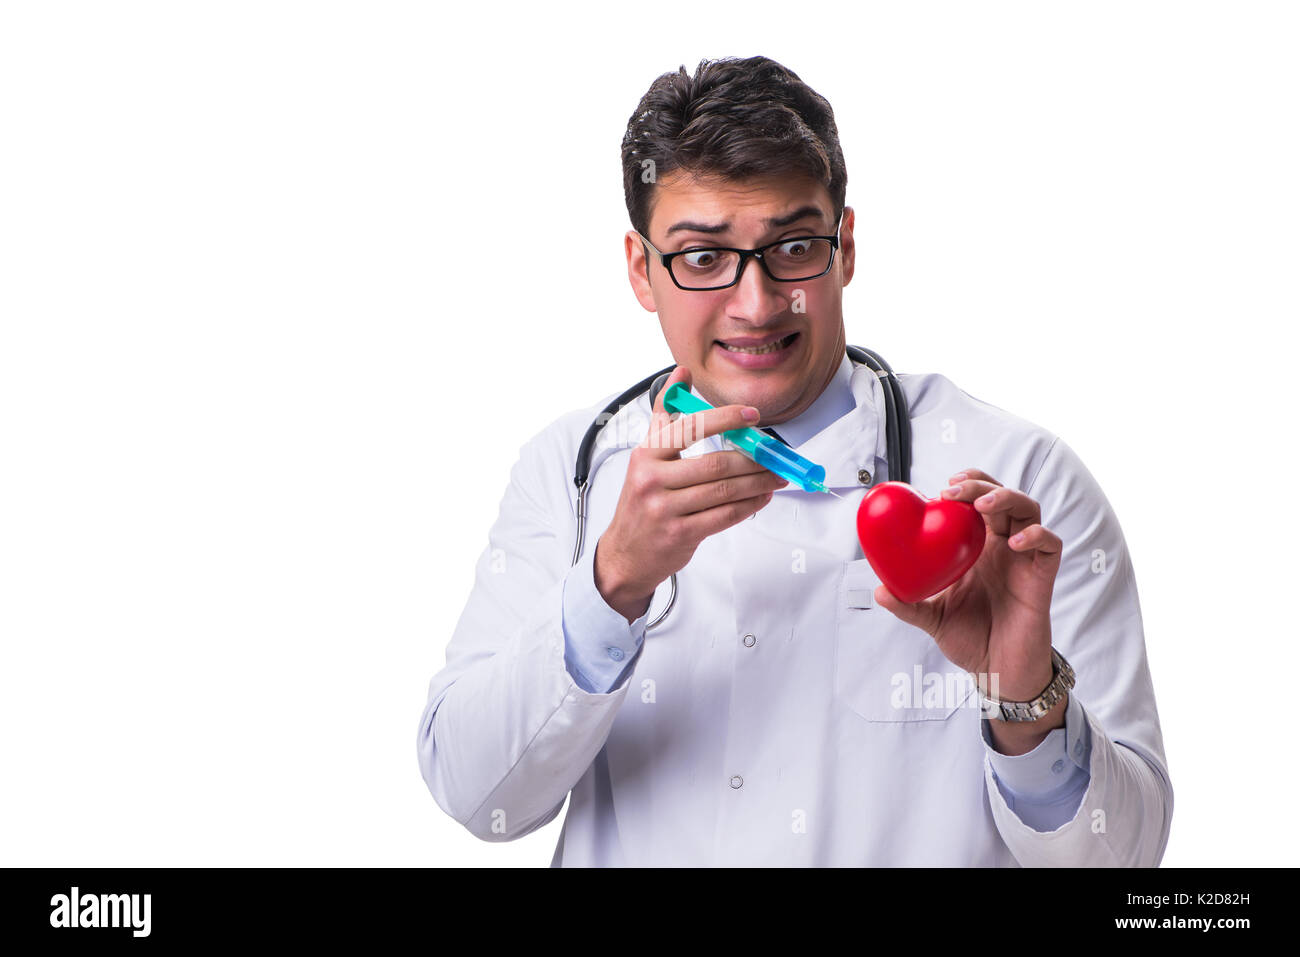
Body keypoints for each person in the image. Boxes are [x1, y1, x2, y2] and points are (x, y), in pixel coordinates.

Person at [415, 55, 1173, 866]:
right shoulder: (572, 468)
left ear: (845, 249)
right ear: (643, 270)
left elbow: (1121, 862)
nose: (757, 301)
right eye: (703, 257)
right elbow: (478, 797)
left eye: (793, 246)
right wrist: (612, 584)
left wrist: (1024, 697)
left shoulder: (1019, 483)